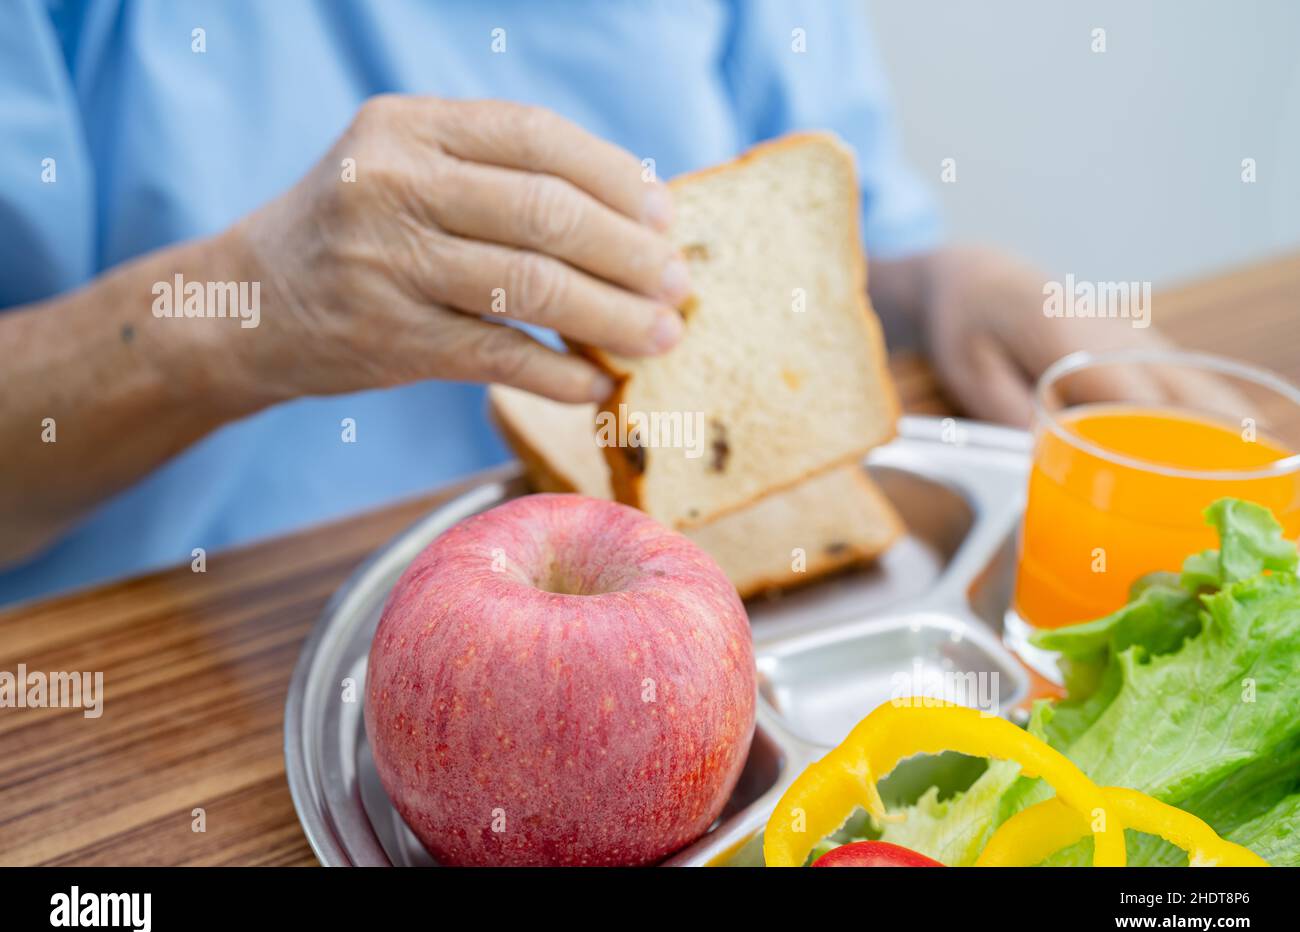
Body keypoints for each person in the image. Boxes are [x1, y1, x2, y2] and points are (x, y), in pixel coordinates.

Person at [0, 1, 1156, 606]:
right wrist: (241, 308)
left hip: (668, 613)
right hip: (178, 661)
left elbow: (826, 259)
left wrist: (945, 281)